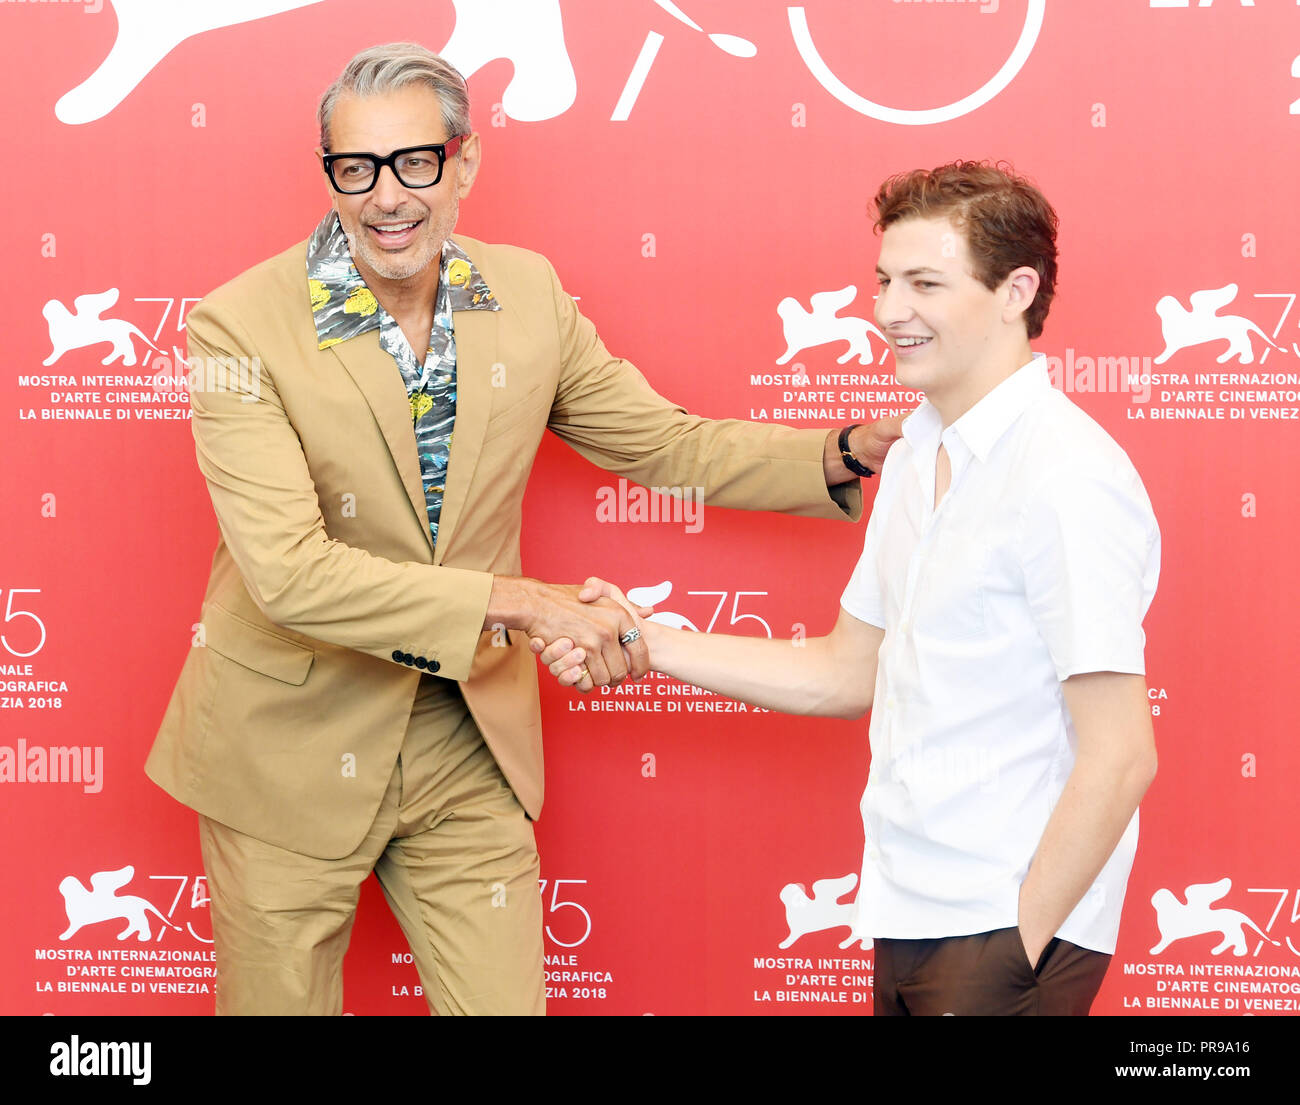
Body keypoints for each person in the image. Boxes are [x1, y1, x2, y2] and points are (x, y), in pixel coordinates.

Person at [144, 42, 900, 1016]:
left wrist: (838, 450)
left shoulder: (527, 295)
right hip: (284, 751)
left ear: (464, 162)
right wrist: (522, 602)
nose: (387, 198)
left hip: (465, 736)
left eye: (415, 162)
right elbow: (290, 574)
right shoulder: (236, 327)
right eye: (356, 168)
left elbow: (659, 441)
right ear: (329, 174)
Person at [540, 162, 1161, 1016]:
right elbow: (843, 672)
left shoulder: (1067, 474)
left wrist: (1022, 935)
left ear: (1017, 290)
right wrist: (644, 640)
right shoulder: (909, 457)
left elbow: (1122, 752)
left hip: (1004, 924)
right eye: (883, 281)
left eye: (925, 283)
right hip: (906, 904)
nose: (887, 310)